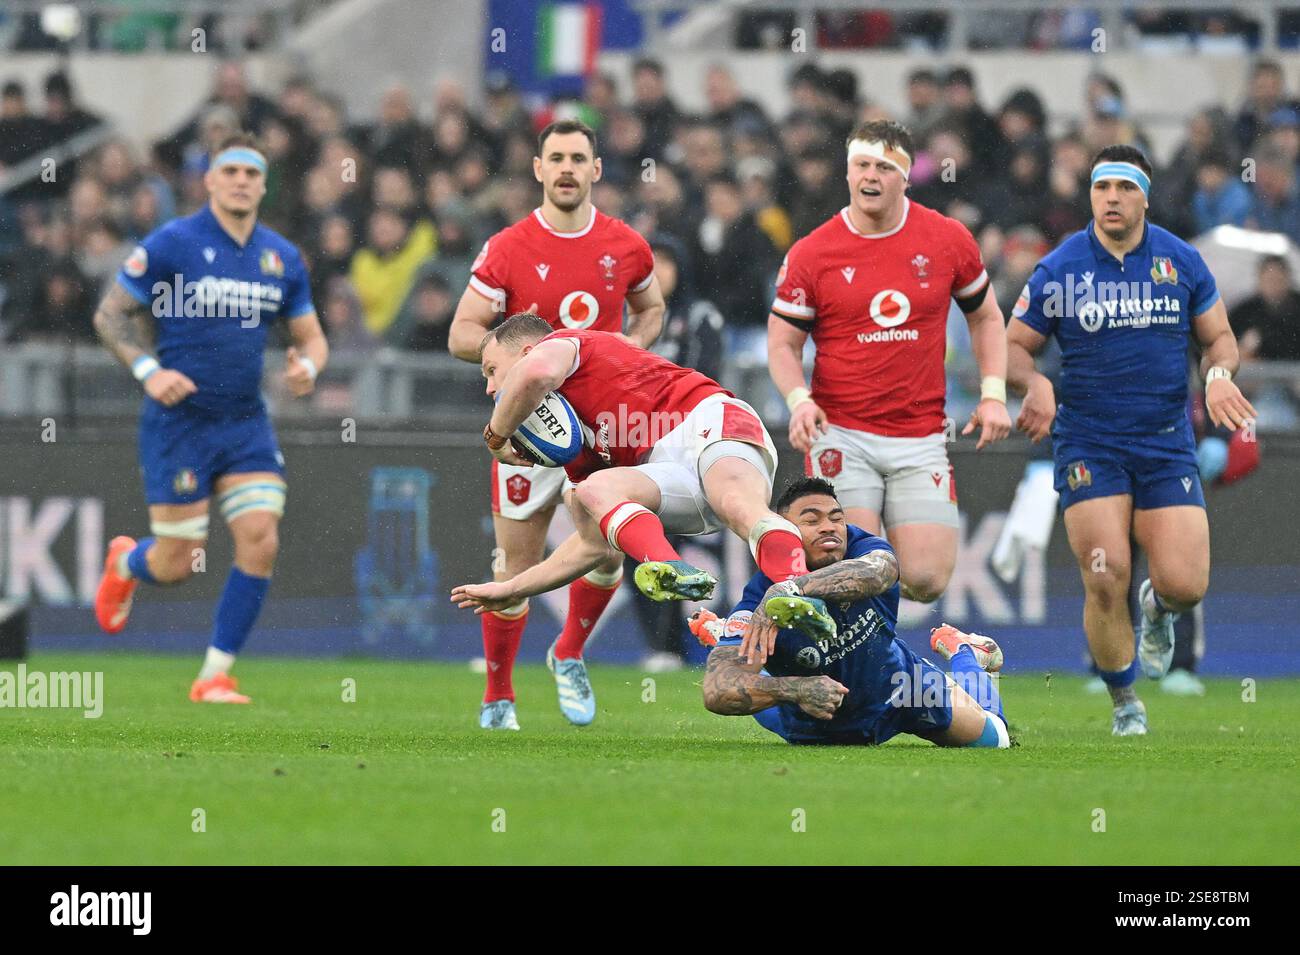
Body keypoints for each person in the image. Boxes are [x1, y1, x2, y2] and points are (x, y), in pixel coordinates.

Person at [1006, 145, 1256, 735]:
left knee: (1185, 584)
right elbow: (1015, 345)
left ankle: (1159, 608)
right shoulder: (1061, 267)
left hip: (1167, 441)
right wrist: (1034, 383)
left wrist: (1218, 376)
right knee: (1104, 572)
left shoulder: (1181, 260)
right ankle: (1125, 703)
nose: (1111, 198)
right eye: (1101, 188)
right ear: (1090, 195)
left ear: (1144, 196)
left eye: (1123, 187)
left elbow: (1220, 339)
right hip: (1089, 442)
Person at [91, 133, 329, 703]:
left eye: (252, 172)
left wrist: (309, 369)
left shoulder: (281, 257)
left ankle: (214, 674)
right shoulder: (173, 242)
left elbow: (312, 338)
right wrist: (150, 371)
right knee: (175, 563)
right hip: (179, 421)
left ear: (264, 185)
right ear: (210, 181)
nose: (242, 180)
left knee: (260, 537)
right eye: (231, 171)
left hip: (246, 421)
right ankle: (127, 560)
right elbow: (109, 316)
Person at [446, 119, 666, 731]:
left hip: (604, 426)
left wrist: (630, 345)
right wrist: (521, 360)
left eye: (578, 158)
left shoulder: (627, 246)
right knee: (513, 568)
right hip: (529, 429)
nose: (567, 168)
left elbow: (653, 309)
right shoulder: (509, 247)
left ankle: (568, 651)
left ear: (596, 170)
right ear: (538, 170)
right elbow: (461, 334)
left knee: (606, 553)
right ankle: (498, 696)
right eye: (556, 158)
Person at [451, 314, 834, 650]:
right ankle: (671, 567)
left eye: (490, 370)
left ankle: (798, 590)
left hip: (704, 418)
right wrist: (512, 588)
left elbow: (537, 374)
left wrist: (496, 435)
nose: (488, 388)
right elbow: (591, 547)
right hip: (664, 471)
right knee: (589, 491)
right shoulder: (578, 449)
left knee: (738, 504)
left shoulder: (566, 344)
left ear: (527, 351)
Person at [769, 119, 1011, 605]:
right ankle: (853, 674)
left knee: (926, 578)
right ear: (848, 171)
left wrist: (993, 395)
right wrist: (799, 401)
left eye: (883, 166)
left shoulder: (947, 239)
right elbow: (782, 343)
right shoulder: (813, 252)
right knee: (849, 574)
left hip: (920, 435)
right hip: (841, 432)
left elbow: (986, 317)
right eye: (861, 165)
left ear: (905, 175)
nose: (870, 176)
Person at [695, 477, 1010, 748]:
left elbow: (879, 572)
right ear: (784, 534)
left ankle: (965, 650)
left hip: (902, 690)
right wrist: (796, 689)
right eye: (812, 519)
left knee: (995, 739)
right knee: (756, 688)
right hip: (815, 720)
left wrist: (793, 589)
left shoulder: (863, 548)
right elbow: (716, 691)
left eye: (836, 517)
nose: (829, 527)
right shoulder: (756, 601)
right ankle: (729, 639)